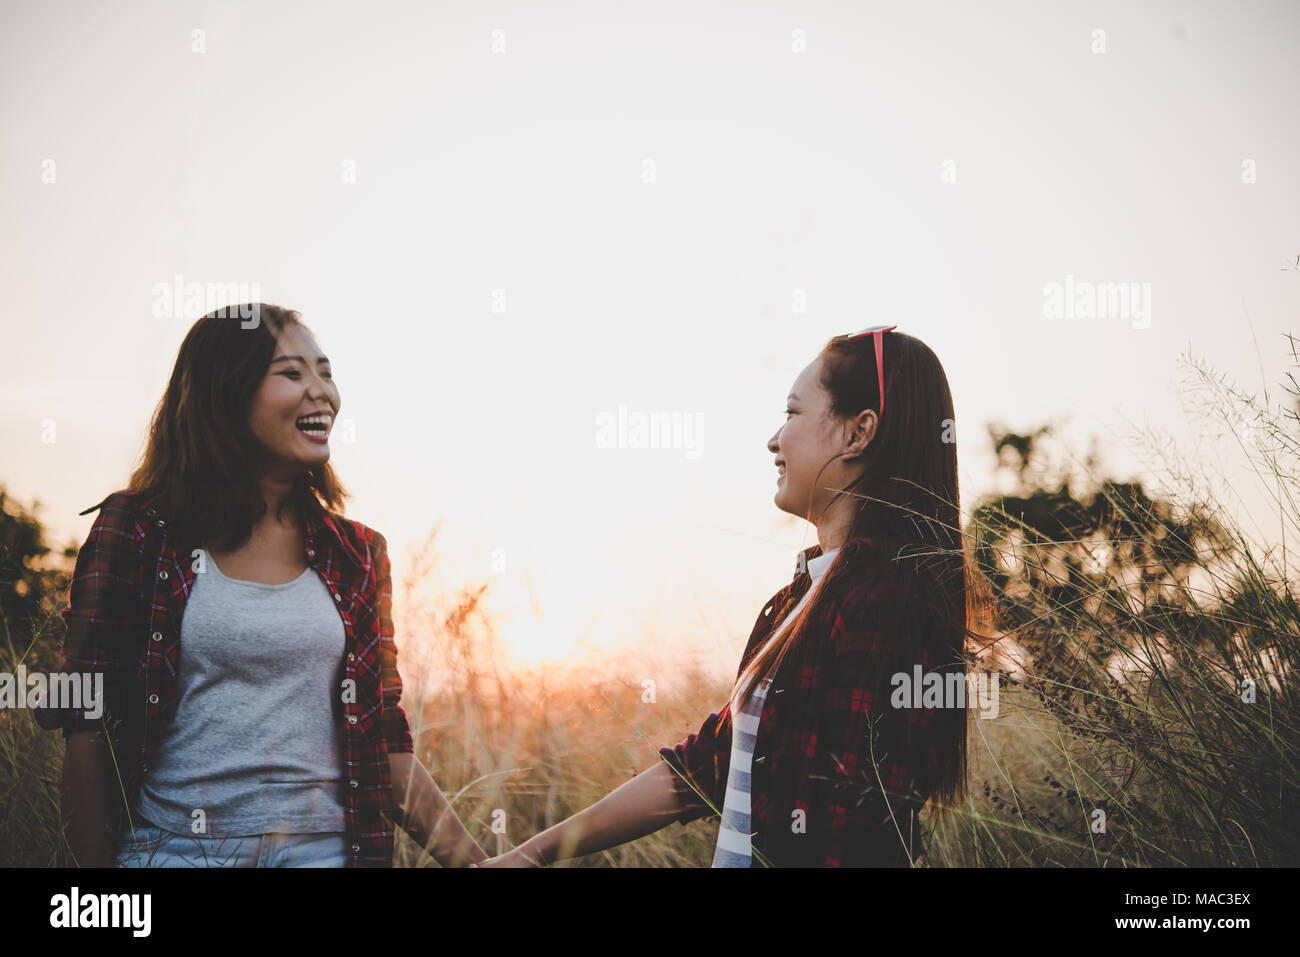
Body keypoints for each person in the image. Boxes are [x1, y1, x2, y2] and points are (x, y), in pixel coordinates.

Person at [478, 326, 986, 867]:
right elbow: (710, 767)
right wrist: (532, 855)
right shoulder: (802, 599)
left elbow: (845, 833)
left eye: (792, 413)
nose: (774, 441)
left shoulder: (882, 607)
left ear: (857, 435)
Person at [37, 303, 486, 868]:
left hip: (323, 854)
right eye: (292, 374)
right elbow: (88, 722)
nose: (321, 391)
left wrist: (477, 865)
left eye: (325, 372)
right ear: (227, 393)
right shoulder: (139, 530)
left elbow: (385, 737)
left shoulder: (358, 554)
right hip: (175, 852)